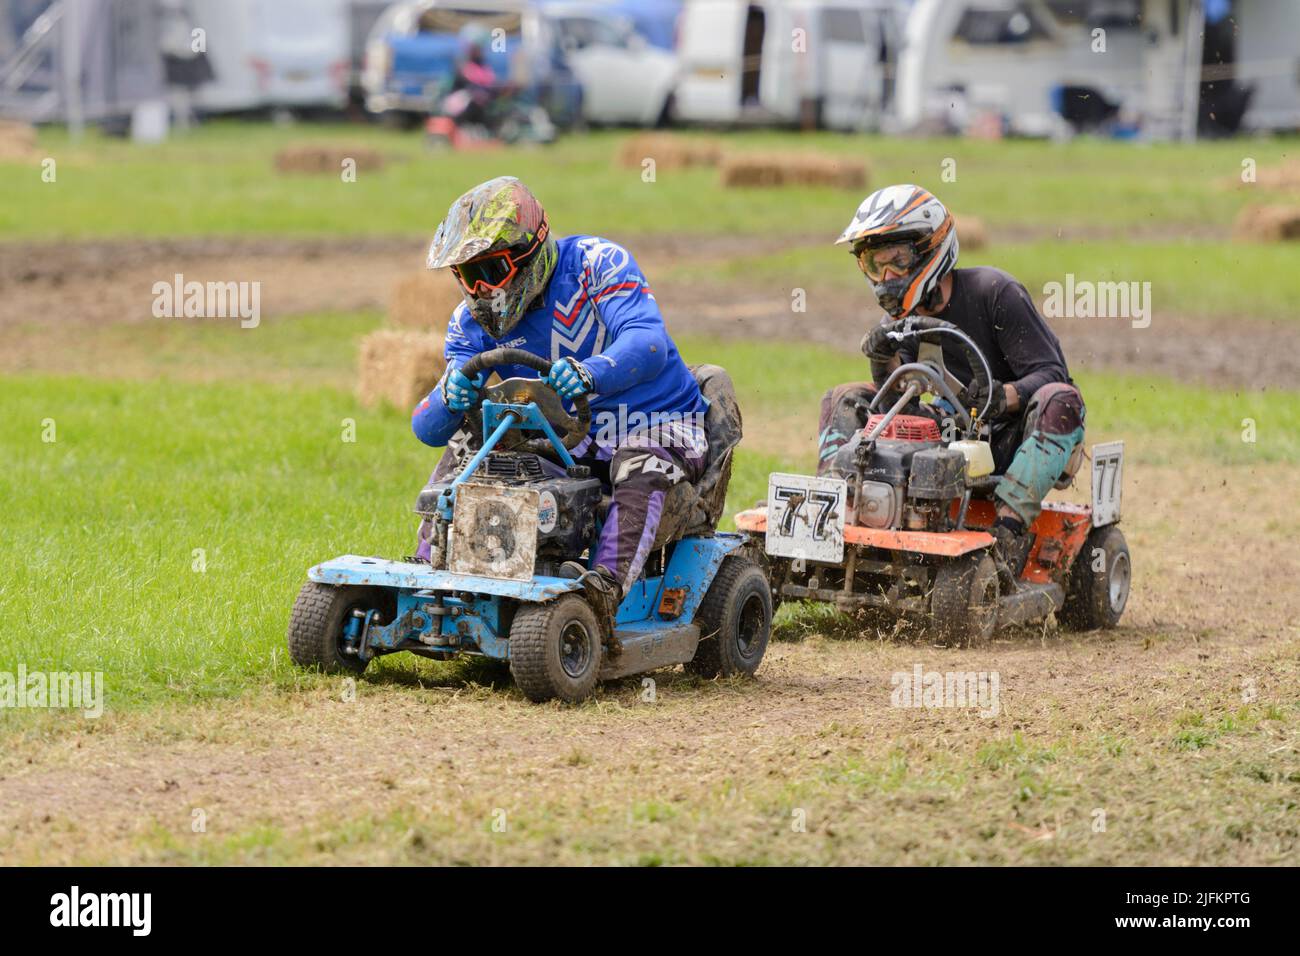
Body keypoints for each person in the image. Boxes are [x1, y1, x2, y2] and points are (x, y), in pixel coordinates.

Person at [412, 176, 708, 616]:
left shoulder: (597, 264)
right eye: (467, 277)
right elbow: (428, 430)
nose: (480, 291)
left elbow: (648, 342)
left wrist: (592, 373)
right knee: (469, 445)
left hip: (657, 423)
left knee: (638, 461)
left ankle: (599, 593)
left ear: (530, 251)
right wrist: (450, 395)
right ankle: (428, 571)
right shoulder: (468, 324)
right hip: (565, 441)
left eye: (490, 272)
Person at [817, 184, 1085, 578]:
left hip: (1011, 441)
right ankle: (832, 517)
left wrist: (1002, 397)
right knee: (844, 397)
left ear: (931, 248)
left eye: (898, 261)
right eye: (876, 265)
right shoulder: (898, 323)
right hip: (945, 440)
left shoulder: (994, 292)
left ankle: (1007, 537)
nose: (887, 276)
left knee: (1062, 398)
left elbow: (1052, 373)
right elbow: (900, 407)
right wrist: (883, 358)